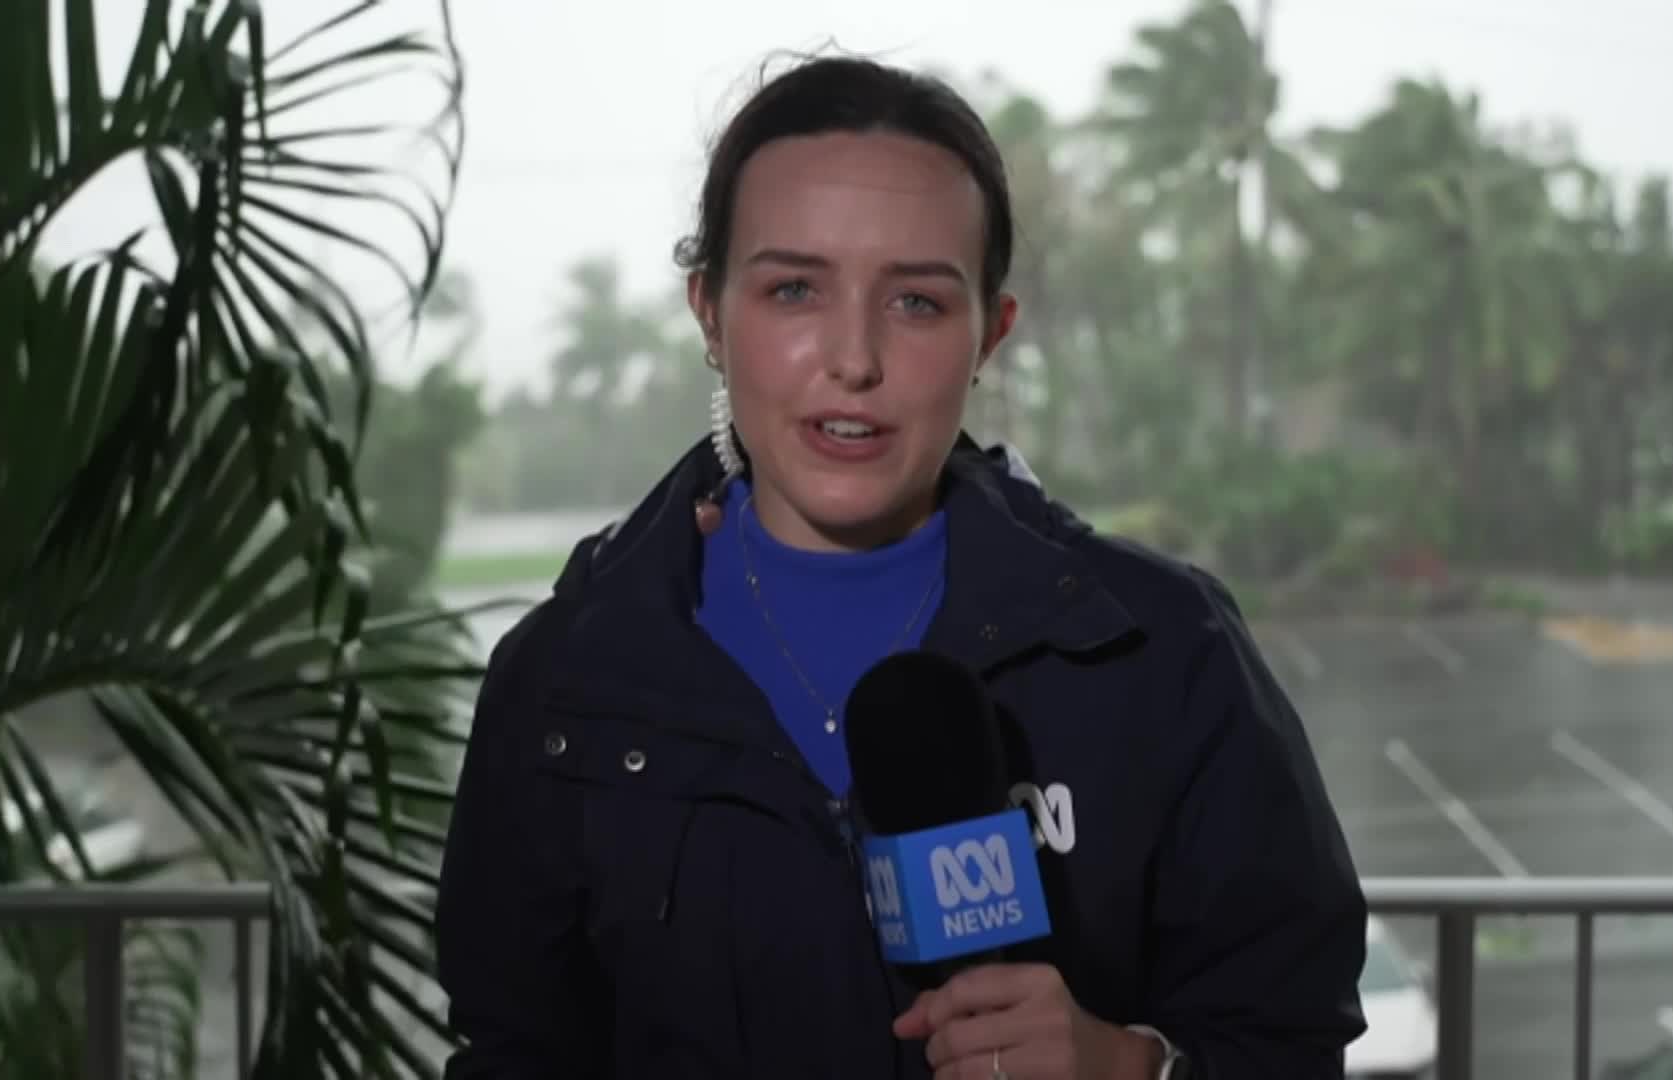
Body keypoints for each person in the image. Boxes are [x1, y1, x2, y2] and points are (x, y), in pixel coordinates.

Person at [434, 52, 1368, 1080]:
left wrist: (1129, 1068)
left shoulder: (1163, 652)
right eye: (794, 289)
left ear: (990, 334)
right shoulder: (568, 681)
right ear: (709, 314)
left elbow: (1291, 1040)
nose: (855, 360)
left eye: (917, 302)